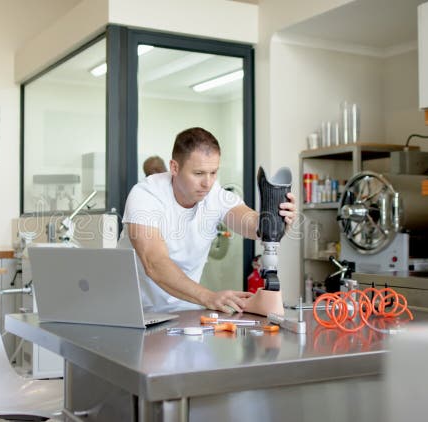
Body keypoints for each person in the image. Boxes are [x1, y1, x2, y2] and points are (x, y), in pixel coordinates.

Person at [119, 127, 296, 314]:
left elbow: (252, 224)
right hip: (133, 310)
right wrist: (209, 297)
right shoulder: (145, 195)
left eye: (213, 172)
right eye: (198, 173)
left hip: (183, 309)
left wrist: (274, 219)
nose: (207, 183)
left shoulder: (214, 194)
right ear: (174, 168)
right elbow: (155, 263)